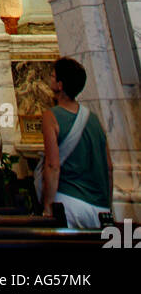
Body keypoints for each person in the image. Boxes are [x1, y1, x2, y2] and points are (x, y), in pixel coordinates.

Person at [40, 57, 112, 229]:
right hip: (100, 207)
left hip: (69, 202)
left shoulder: (51, 116)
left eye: (52, 76)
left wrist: (48, 206)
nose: (49, 79)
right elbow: (109, 167)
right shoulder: (94, 119)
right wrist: (106, 204)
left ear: (60, 84)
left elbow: (52, 166)